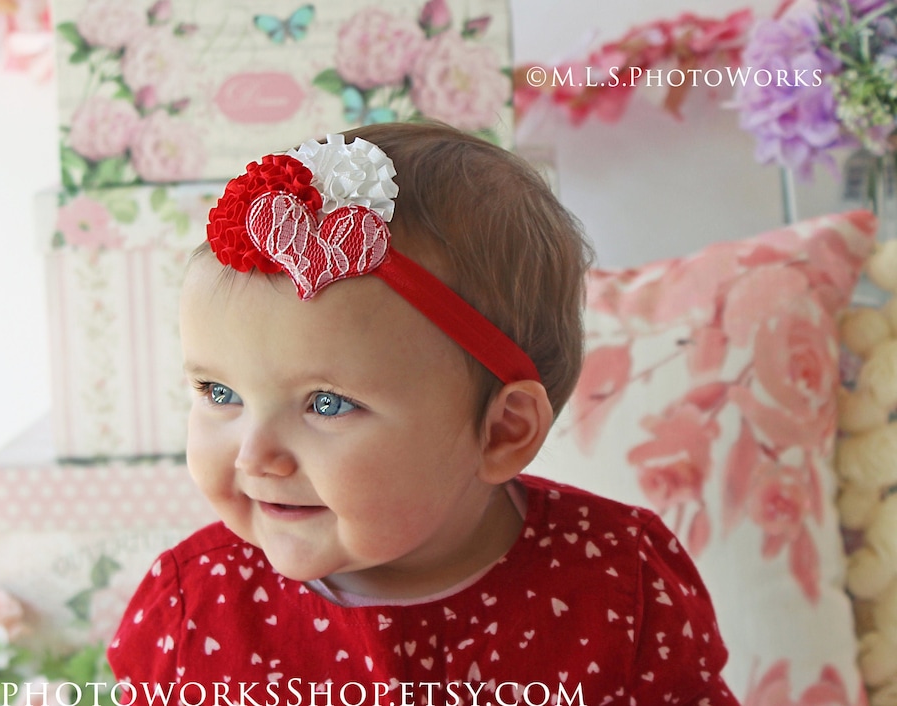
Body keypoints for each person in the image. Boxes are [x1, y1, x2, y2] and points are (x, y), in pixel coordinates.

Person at [107, 122, 740, 706]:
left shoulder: (614, 582)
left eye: (326, 404)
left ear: (502, 430)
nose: (253, 457)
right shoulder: (194, 605)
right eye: (221, 393)